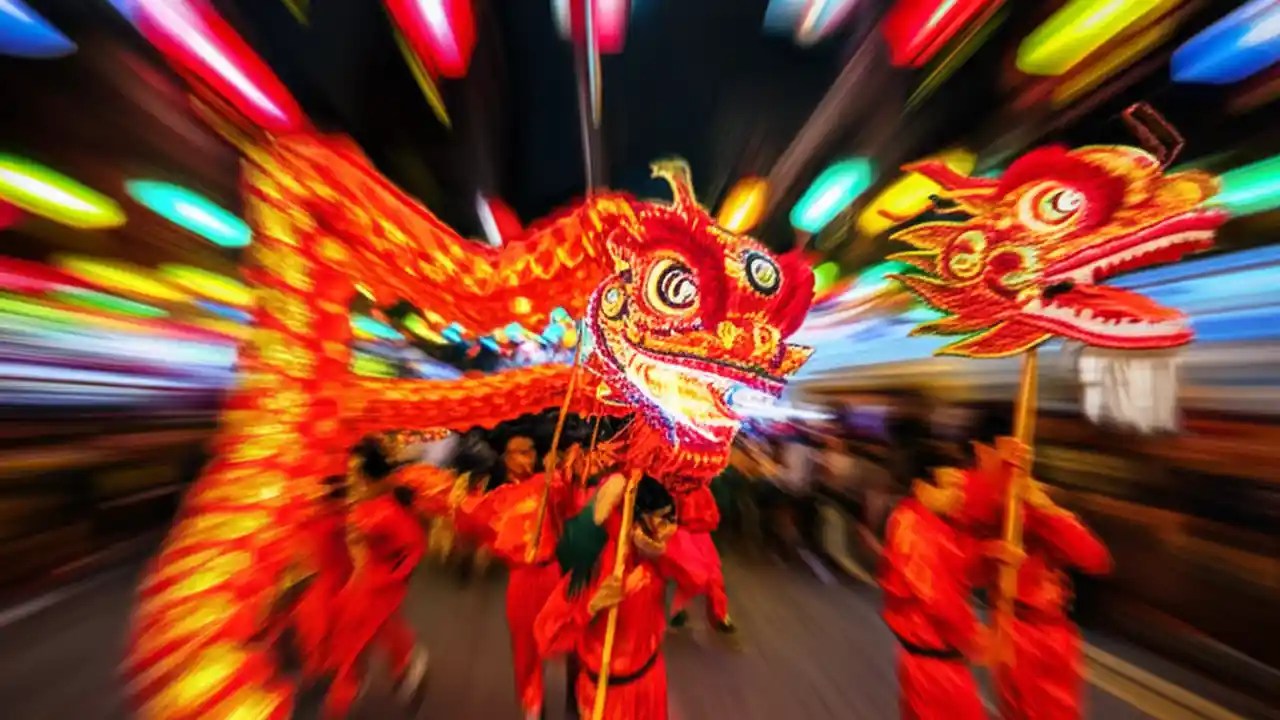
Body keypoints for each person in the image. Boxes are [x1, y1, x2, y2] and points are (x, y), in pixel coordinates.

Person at [536, 473, 707, 720]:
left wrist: (662, 553)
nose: (667, 529)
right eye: (659, 520)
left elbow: (698, 576)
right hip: (608, 692)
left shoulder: (655, 558)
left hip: (651, 680)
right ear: (634, 520)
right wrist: (592, 605)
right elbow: (547, 636)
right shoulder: (596, 563)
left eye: (671, 518)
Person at [451, 435, 584, 720]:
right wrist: (460, 498)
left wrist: (570, 462)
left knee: (572, 637)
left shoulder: (546, 485)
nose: (527, 458)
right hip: (521, 579)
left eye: (530, 451)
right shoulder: (497, 499)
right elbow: (466, 520)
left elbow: (572, 493)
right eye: (520, 453)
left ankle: (577, 694)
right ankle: (533, 701)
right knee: (526, 648)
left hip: (551, 573)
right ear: (506, 459)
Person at [878, 437, 996, 720]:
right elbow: (938, 598)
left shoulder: (935, 523)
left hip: (937, 661)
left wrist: (990, 554)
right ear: (921, 487)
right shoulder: (913, 528)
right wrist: (978, 640)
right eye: (949, 487)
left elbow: (960, 571)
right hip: (934, 668)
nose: (957, 496)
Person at [992, 476, 1113, 720]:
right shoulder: (1003, 513)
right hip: (1011, 625)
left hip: (1048, 635)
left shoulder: (1050, 519)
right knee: (1015, 710)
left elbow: (1096, 559)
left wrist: (1045, 508)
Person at [325, 436, 428, 718]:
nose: (352, 482)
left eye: (356, 475)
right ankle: (403, 663)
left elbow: (414, 546)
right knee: (373, 632)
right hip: (363, 581)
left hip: (376, 585)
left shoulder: (386, 512)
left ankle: (349, 689)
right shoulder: (363, 507)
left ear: (372, 478)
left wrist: (395, 575)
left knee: (357, 637)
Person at [292, 475, 355, 679]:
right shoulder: (339, 518)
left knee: (324, 626)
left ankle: (326, 666)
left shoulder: (335, 520)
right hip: (331, 581)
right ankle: (325, 666)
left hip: (333, 582)